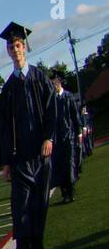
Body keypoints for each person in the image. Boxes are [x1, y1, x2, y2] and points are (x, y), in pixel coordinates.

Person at [0, 23, 55, 249]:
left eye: (18, 45)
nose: (14, 49)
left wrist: (49, 137)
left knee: (39, 205)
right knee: (19, 206)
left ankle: (36, 246)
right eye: (10, 46)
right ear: (8, 51)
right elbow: (4, 127)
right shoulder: (8, 88)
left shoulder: (40, 78)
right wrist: (6, 160)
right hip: (20, 158)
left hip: (41, 154)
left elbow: (52, 109)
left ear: (25, 48)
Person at [50, 74, 79, 203]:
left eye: (54, 84)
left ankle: (71, 191)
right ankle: (64, 193)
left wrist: (78, 132)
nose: (53, 87)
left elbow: (75, 115)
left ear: (59, 83)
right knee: (59, 165)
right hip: (57, 138)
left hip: (69, 135)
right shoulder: (52, 100)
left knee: (69, 164)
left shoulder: (68, 97)